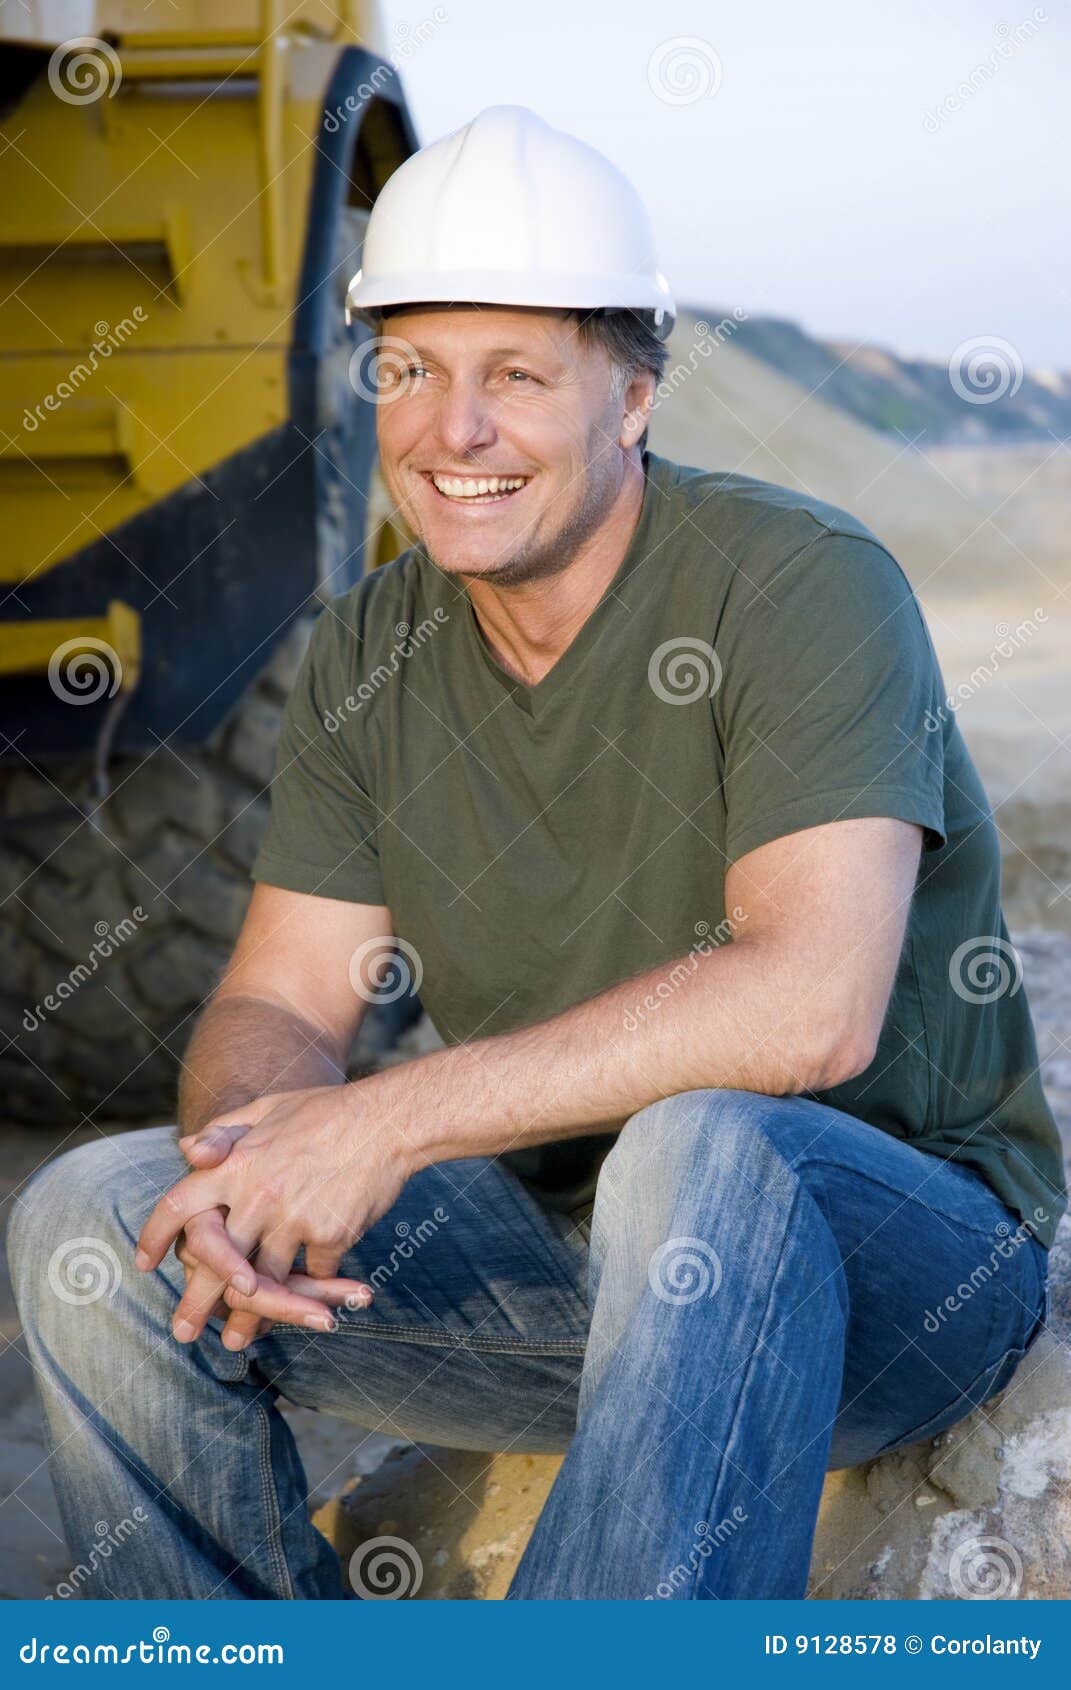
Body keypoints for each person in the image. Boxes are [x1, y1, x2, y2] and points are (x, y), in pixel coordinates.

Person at [8, 105, 1065, 1601]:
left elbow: (806, 1008)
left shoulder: (804, 584)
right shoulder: (369, 643)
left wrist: (386, 1121)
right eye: (415, 372)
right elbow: (283, 1003)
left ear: (632, 396)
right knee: (92, 1219)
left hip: (893, 1274)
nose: (457, 431)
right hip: (570, 1270)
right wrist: (258, 1153)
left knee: (703, 1147)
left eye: (516, 375)